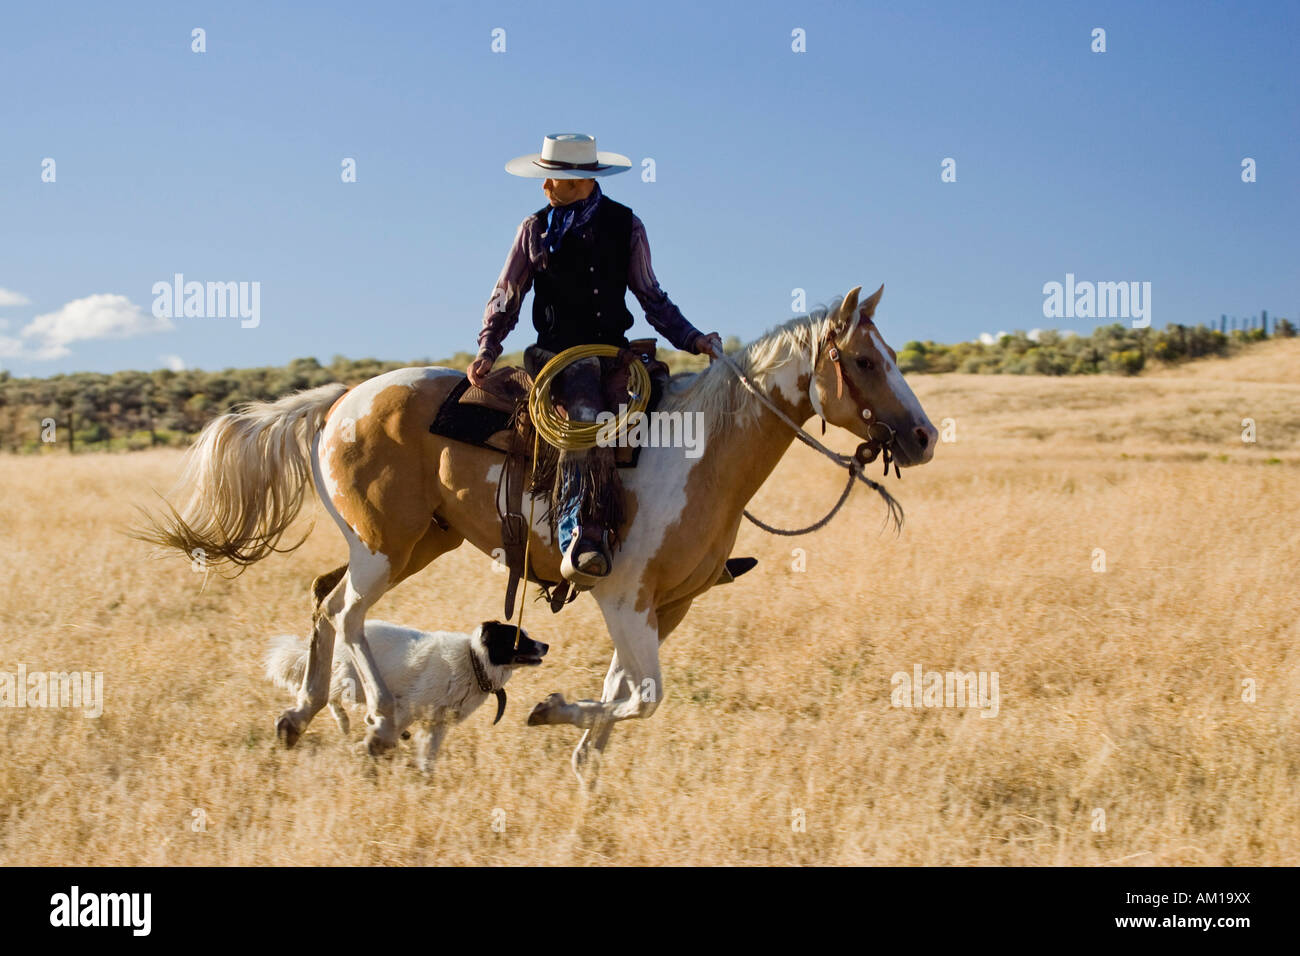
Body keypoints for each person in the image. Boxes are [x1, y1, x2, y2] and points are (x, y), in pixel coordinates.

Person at [470, 133, 723, 586]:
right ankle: (580, 536)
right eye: (545, 178)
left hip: (617, 355)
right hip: (559, 357)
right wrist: (489, 345)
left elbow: (651, 296)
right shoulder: (534, 229)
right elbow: (507, 294)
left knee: (681, 417)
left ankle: (693, 545)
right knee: (586, 419)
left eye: (555, 179)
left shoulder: (628, 226)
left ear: (583, 179)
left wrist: (693, 338)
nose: (545, 187)